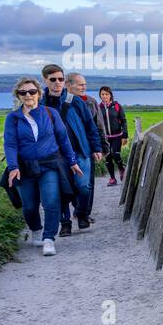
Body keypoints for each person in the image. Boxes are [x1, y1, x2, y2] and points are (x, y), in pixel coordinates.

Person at [3, 77, 82, 256]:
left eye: (32, 91)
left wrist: (72, 161)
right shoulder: (13, 118)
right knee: (29, 206)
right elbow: (10, 144)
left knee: (51, 201)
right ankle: (36, 229)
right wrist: (13, 167)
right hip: (25, 167)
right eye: (23, 92)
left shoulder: (50, 113)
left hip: (49, 165)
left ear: (39, 93)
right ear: (18, 96)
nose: (28, 95)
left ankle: (49, 239)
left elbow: (63, 138)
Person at [41, 64, 102, 235]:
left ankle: (81, 213)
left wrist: (96, 147)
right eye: (53, 80)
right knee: (59, 189)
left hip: (80, 151)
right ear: (45, 81)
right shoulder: (40, 104)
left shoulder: (75, 101)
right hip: (55, 155)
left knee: (84, 187)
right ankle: (65, 223)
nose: (57, 83)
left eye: (60, 79)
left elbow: (90, 126)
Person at [67, 73, 105, 220]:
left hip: (86, 148)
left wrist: (100, 147)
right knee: (70, 183)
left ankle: (84, 214)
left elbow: (97, 125)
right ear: (68, 85)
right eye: (80, 84)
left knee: (87, 183)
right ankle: (74, 211)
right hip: (66, 149)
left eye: (84, 84)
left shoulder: (90, 101)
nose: (84, 87)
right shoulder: (60, 103)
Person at [95, 85, 128, 186]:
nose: (104, 96)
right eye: (102, 94)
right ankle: (112, 179)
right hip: (105, 138)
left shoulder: (117, 106)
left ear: (110, 95)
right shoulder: (98, 108)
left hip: (117, 136)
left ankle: (122, 169)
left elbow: (123, 121)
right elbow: (96, 123)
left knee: (115, 154)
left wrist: (125, 136)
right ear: (100, 96)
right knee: (108, 158)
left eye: (106, 94)